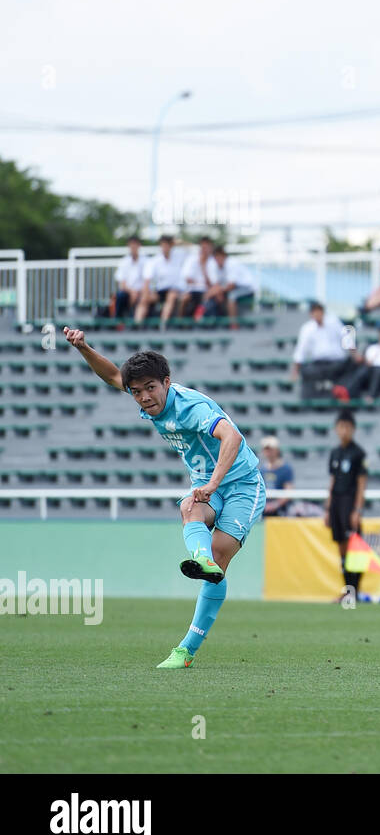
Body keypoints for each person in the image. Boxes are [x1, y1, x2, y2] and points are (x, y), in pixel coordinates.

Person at [62, 330, 265, 668]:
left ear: (167, 382)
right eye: (137, 391)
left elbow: (232, 436)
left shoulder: (190, 407)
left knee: (219, 557)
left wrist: (214, 483)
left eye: (150, 388)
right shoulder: (144, 393)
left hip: (243, 484)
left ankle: (187, 648)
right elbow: (114, 375)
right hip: (205, 484)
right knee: (189, 509)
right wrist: (83, 347)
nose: (143, 397)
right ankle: (201, 563)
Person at [324, 410, 368, 601]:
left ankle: (355, 590)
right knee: (341, 547)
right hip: (336, 503)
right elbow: (333, 480)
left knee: (354, 548)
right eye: (341, 427)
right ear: (336, 429)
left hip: (350, 504)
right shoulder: (335, 453)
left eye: (347, 427)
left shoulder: (358, 453)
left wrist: (357, 510)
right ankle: (348, 590)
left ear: (353, 429)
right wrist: (328, 507)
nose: (344, 431)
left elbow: (361, 483)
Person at [291, 302, 355, 400]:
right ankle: (308, 400)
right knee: (307, 372)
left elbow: (346, 337)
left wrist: (354, 353)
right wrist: (295, 370)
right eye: (315, 312)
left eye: (319, 312)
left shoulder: (333, 322)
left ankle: (342, 396)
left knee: (349, 368)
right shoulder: (307, 328)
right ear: (311, 314)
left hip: (336, 363)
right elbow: (301, 350)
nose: (317, 315)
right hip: (318, 364)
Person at [336, 325, 380, 403]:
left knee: (378, 371)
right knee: (361, 370)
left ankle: (372, 396)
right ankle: (348, 393)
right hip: (370, 367)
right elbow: (367, 359)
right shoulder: (373, 347)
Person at [205, 246, 258, 327]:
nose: (217, 260)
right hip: (235, 287)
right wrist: (217, 292)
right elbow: (217, 284)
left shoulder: (231, 263)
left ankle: (233, 324)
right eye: (216, 258)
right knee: (216, 295)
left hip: (247, 287)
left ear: (223, 256)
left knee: (231, 297)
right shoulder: (218, 266)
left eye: (219, 257)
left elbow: (231, 285)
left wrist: (218, 291)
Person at [143, 235, 187, 328]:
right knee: (144, 299)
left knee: (171, 296)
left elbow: (193, 248)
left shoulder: (179, 254)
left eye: (166, 245)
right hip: (160, 291)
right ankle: (137, 325)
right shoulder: (156, 260)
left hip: (175, 290)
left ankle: (163, 324)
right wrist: (146, 293)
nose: (164, 248)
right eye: (162, 245)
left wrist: (178, 241)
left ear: (171, 245)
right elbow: (147, 279)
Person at [112, 236, 149, 322]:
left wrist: (138, 292)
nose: (133, 247)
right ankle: (117, 320)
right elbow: (122, 284)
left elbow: (147, 281)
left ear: (139, 246)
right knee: (120, 296)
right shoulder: (124, 262)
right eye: (131, 245)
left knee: (142, 297)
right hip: (128, 292)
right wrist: (132, 292)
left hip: (142, 291)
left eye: (135, 245)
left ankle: (134, 320)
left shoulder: (146, 261)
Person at [259, 437, 295, 518]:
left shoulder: (285, 469)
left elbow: (288, 491)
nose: (268, 452)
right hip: (265, 510)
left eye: (270, 449)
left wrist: (275, 505)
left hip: (281, 511)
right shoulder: (262, 470)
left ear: (277, 450)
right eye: (266, 449)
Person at [180, 237, 215, 317]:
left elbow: (211, 283)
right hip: (192, 290)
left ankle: (199, 316)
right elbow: (187, 279)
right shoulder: (191, 259)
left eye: (207, 248)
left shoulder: (213, 261)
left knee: (208, 296)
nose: (205, 250)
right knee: (184, 298)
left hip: (206, 291)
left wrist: (203, 266)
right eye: (203, 247)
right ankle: (181, 321)